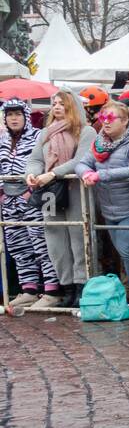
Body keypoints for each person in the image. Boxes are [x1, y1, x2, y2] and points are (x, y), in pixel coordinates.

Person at [74, 99, 129, 305]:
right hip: (111, 208)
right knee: (123, 251)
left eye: (111, 118)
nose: (106, 122)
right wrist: (85, 173)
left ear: (126, 121)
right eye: (103, 117)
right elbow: (82, 163)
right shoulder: (99, 143)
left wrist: (100, 175)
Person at [25, 90, 94, 307]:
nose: (56, 107)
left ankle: (83, 285)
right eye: (54, 103)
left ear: (72, 106)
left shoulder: (86, 131)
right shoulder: (46, 133)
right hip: (48, 190)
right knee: (55, 238)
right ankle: (67, 287)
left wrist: (54, 173)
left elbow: (82, 159)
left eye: (62, 104)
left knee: (78, 235)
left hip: (74, 188)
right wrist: (33, 173)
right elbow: (35, 158)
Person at [3, 99, 60, 308]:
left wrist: (30, 192)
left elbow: (44, 164)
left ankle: (52, 290)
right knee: (18, 246)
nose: (14, 118)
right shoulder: (2, 141)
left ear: (26, 116)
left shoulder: (38, 137)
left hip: (34, 199)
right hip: (9, 201)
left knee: (41, 243)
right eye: (10, 115)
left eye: (18, 114)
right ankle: (29, 289)